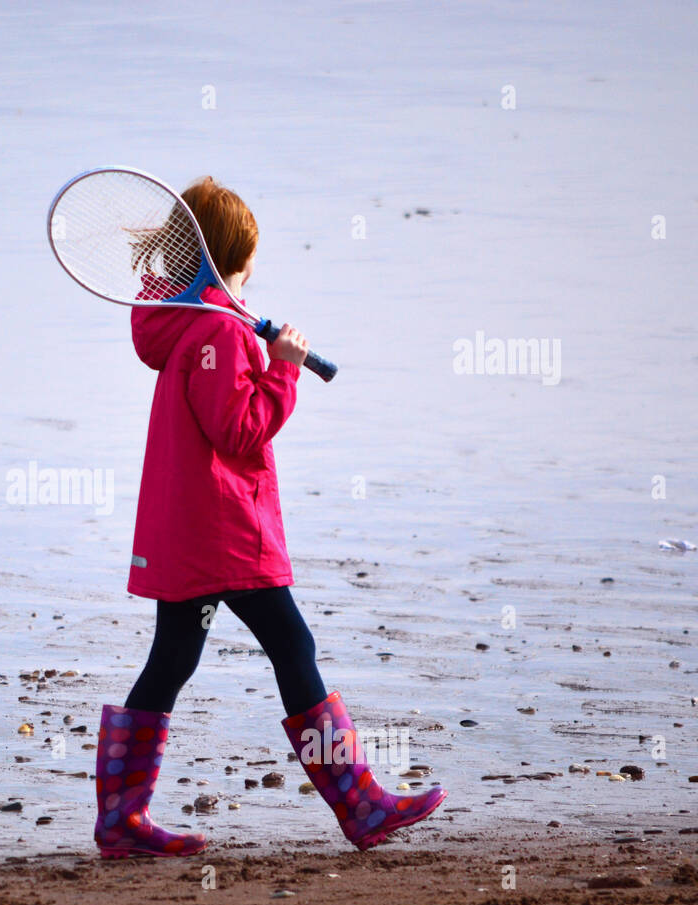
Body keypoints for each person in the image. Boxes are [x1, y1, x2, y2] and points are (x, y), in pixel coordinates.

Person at [94, 177, 446, 857]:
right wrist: (282, 370)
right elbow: (239, 430)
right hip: (224, 532)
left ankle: (121, 820)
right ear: (239, 259)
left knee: (173, 658)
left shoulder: (187, 324)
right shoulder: (220, 330)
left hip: (188, 531)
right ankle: (361, 804)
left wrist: (269, 360)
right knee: (292, 647)